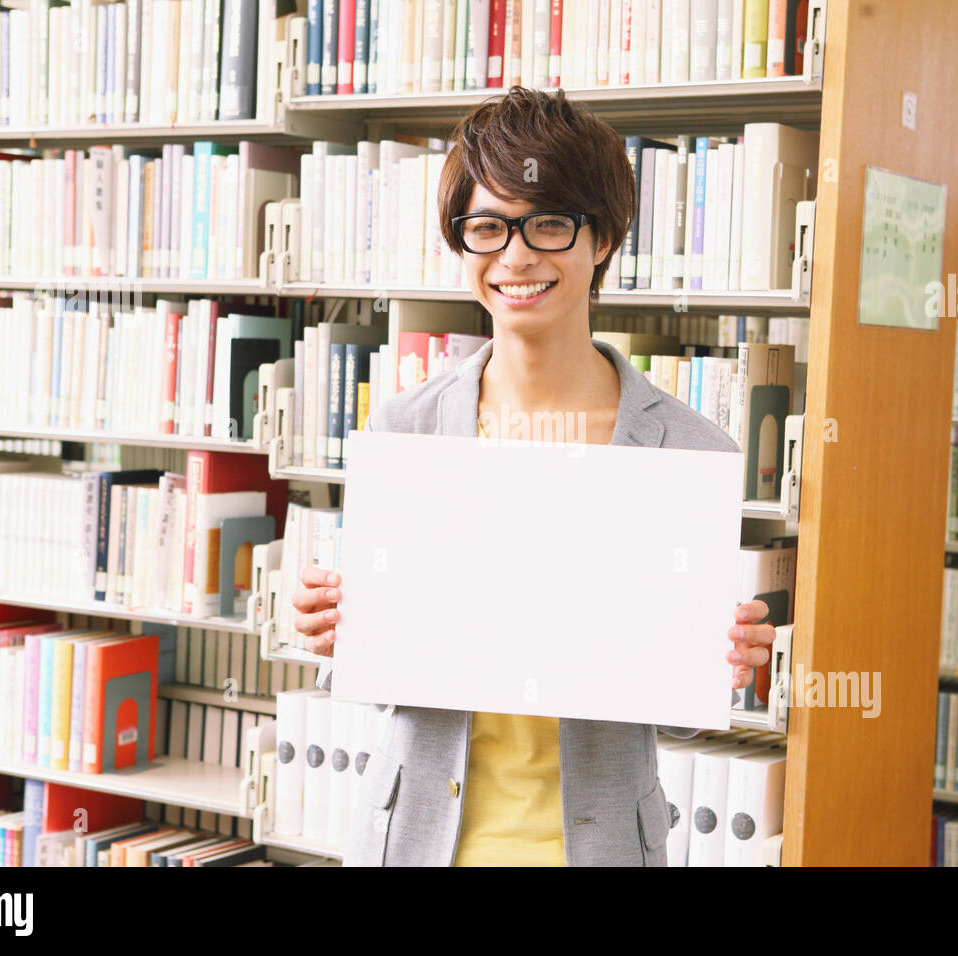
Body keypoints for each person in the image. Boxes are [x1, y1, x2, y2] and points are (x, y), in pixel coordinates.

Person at [292, 86, 777, 866]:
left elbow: (674, 720)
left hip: (600, 847)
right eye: (487, 227)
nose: (516, 256)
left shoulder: (690, 452)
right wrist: (338, 628)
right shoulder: (405, 433)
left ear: (606, 237)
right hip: (419, 844)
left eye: (549, 223)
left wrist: (724, 662)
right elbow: (396, 683)